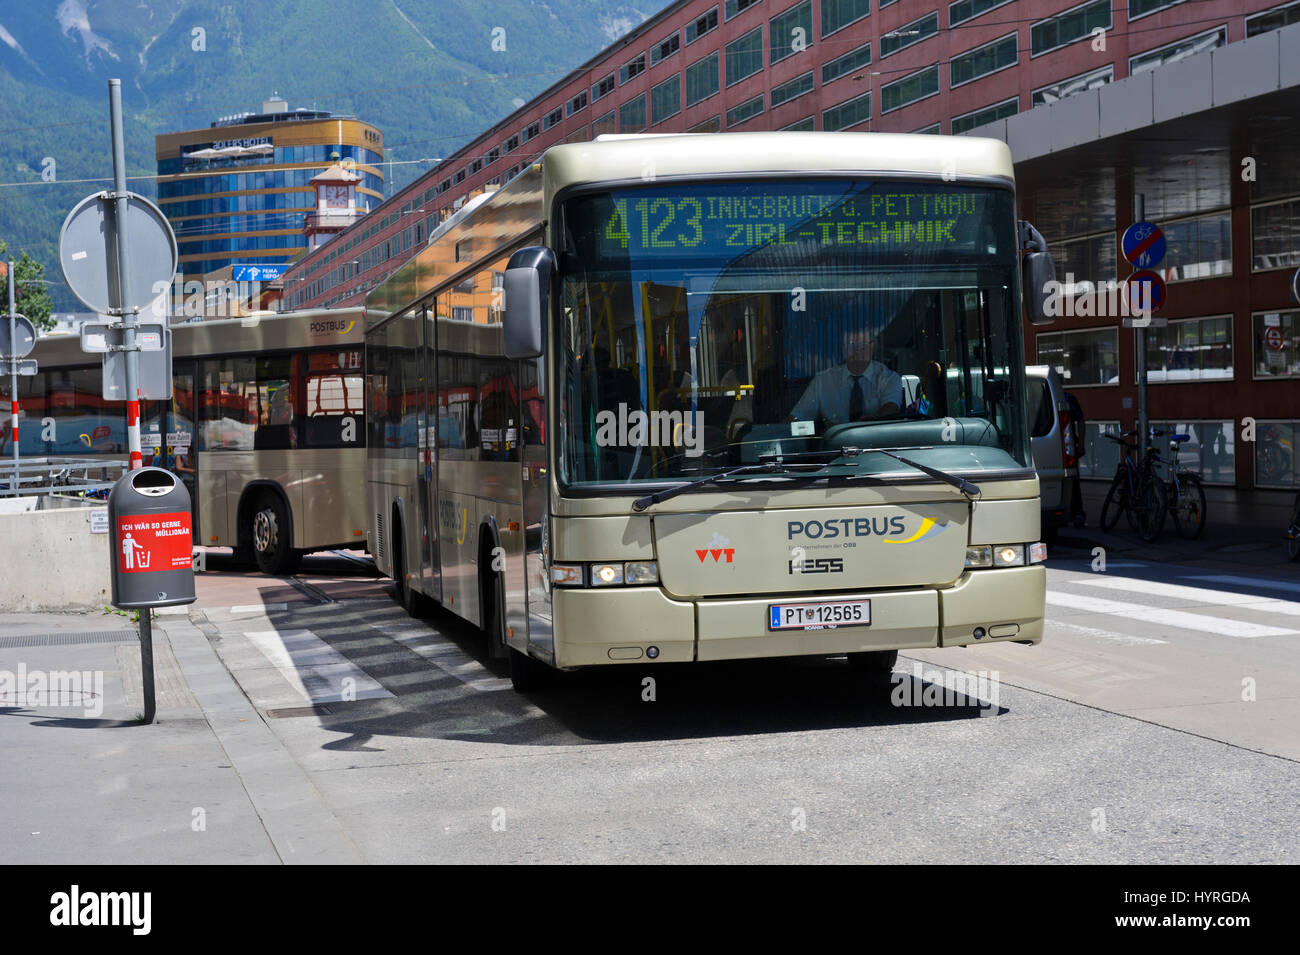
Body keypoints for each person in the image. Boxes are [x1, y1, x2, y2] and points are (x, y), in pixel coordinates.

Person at [790, 328, 903, 427]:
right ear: (843, 349)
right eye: (851, 345)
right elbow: (799, 417)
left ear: (872, 347)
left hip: (876, 445)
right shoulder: (823, 381)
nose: (857, 350)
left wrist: (867, 423)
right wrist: (778, 435)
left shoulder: (889, 378)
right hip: (834, 447)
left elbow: (891, 409)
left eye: (863, 345)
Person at [1064, 390, 1087, 527]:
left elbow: (1080, 420)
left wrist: (1081, 444)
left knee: (1072, 480)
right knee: (1073, 479)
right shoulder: (1068, 397)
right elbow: (1081, 420)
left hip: (1068, 445)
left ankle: (1076, 513)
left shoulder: (1067, 398)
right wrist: (1081, 444)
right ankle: (1077, 514)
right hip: (1069, 445)